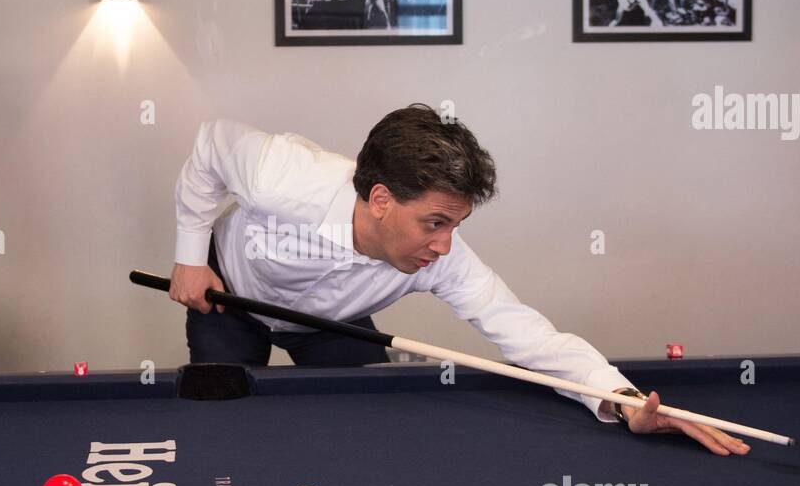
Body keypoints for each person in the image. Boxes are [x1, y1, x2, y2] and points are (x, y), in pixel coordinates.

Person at [169, 104, 749, 455]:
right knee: (216, 419)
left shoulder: (442, 256)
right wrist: (191, 255)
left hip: (329, 323)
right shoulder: (283, 178)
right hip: (228, 296)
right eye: (434, 223)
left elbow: (529, 336)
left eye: (456, 224)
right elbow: (211, 144)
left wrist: (623, 402)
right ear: (380, 200)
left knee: (368, 430)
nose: (444, 245)